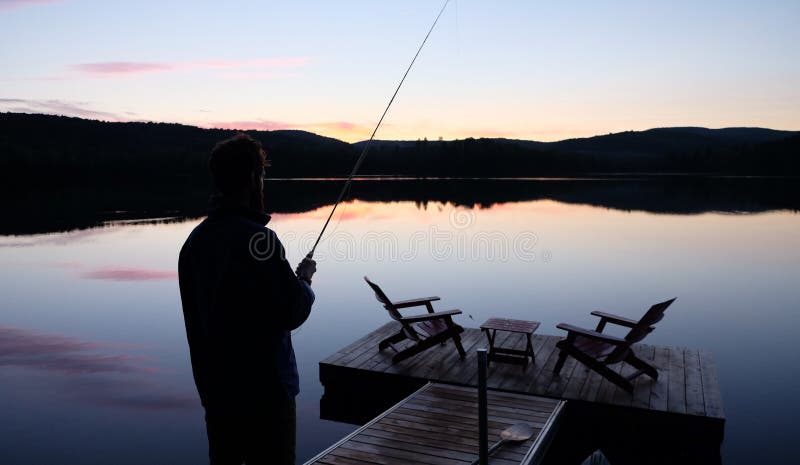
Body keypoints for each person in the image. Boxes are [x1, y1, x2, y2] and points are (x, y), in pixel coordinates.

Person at [178, 133, 317, 465]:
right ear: (254, 178)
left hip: (217, 393)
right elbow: (292, 310)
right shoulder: (261, 239)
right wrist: (305, 281)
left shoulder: (194, 244)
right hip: (267, 395)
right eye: (262, 175)